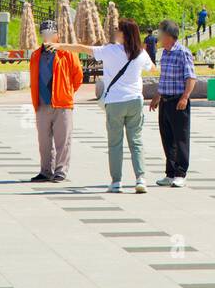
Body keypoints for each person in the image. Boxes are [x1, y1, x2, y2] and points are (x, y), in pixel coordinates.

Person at [59, 18, 154, 194]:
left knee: (115, 144)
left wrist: (59, 46)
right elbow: (152, 68)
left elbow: (81, 48)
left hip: (115, 102)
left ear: (124, 34)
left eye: (118, 29)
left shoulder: (110, 51)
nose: (115, 31)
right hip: (135, 101)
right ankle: (140, 178)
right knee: (136, 141)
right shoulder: (140, 53)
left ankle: (116, 181)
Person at [28, 20, 83, 183]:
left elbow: (78, 76)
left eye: (50, 34)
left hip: (63, 103)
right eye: (44, 34)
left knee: (63, 139)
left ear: (57, 35)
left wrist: (67, 92)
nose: (47, 38)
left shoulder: (67, 53)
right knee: (43, 140)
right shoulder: (35, 55)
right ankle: (45, 170)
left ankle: (61, 171)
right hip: (41, 103)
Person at [150, 19, 195, 187]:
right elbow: (165, 78)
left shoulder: (182, 52)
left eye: (160, 32)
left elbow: (191, 77)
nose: (158, 36)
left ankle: (181, 173)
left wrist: (185, 97)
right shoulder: (165, 53)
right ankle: (170, 173)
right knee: (167, 137)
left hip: (178, 101)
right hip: (165, 100)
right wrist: (157, 96)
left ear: (168, 35)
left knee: (180, 138)